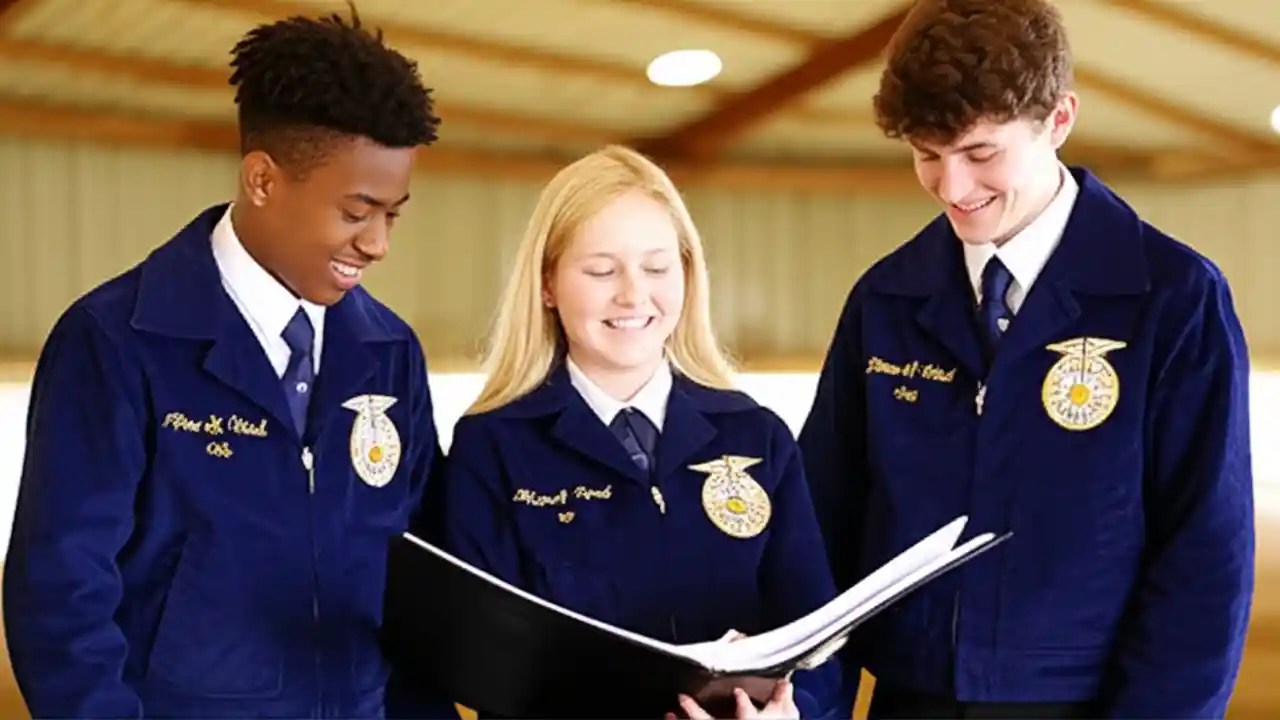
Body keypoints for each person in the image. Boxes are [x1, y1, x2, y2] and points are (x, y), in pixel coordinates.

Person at [797, 0, 1254, 718]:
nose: (953, 188)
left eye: (981, 153)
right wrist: (804, 705)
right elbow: (820, 535)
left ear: (1059, 119)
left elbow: (1205, 561)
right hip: (909, 701)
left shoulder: (1173, 301)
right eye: (927, 155)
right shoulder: (885, 302)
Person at [2, 7, 457, 719]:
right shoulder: (114, 342)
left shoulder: (391, 353)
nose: (377, 244)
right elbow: (61, 591)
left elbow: (426, 585)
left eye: (392, 213)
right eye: (356, 211)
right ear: (263, 180)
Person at [431, 145, 842, 718]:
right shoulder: (492, 448)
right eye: (601, 270)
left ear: (687, 275)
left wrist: (791, 713)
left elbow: (820, 647)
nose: (632, 294)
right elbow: (484, 666)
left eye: (656, 267)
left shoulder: (757, 437)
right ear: (547, 284)